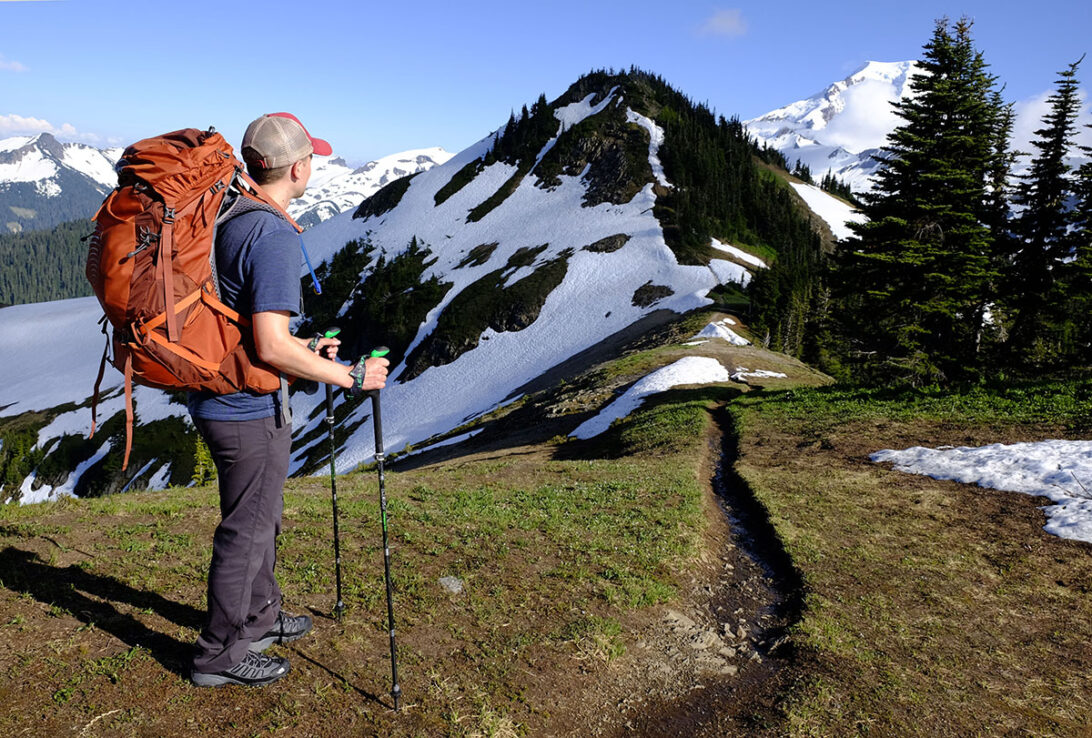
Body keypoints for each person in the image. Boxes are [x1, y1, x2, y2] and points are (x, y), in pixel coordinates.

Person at [188, 113, 389, 688]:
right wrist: (348, 377)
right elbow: (271, 346)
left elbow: (249, 325)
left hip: (223, 399)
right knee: (246, 532)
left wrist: (306, 347)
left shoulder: (230, 214)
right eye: (312, 159)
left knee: (260, 520)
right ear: (298, 166)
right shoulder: (272, 233)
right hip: (246, 411)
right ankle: (218, 656)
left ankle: (260, 615)